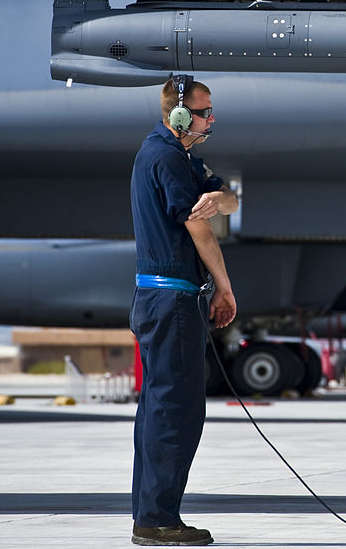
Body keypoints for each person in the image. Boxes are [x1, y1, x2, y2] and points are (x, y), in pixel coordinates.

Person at [130, 76, 238, 546]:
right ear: (178, 115)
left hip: (162, 300)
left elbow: (228, 199)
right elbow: (199, 227)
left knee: (161, 408)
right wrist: (225, 287)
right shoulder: (168, 158)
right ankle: (157, 520)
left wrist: (221, 198)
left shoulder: (181, 157)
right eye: (203, 111)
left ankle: (152, 516)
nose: (211, 119)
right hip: (173, 301)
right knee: (175, 412)